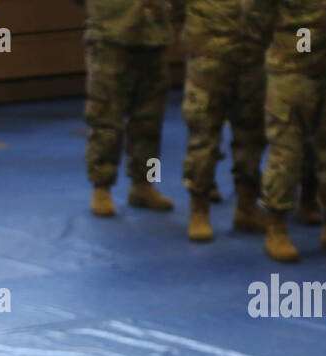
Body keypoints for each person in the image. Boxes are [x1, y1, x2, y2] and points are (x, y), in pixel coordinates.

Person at [246, 0, 326, 261]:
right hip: (293, 68)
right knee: (286, 148)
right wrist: (285, 43)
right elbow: (256, 14)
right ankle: (276, 226)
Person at [179, 0, 268, 242]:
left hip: (253, 49)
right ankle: (199, 208)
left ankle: (247, 206)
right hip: (209, 51)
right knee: (203, 130)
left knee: (252, 132)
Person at [82, 0, 176, 217]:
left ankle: (145, 184)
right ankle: (101, 187)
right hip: (110, 33)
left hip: (155, 32)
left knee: (151, 120)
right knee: (105, 118)